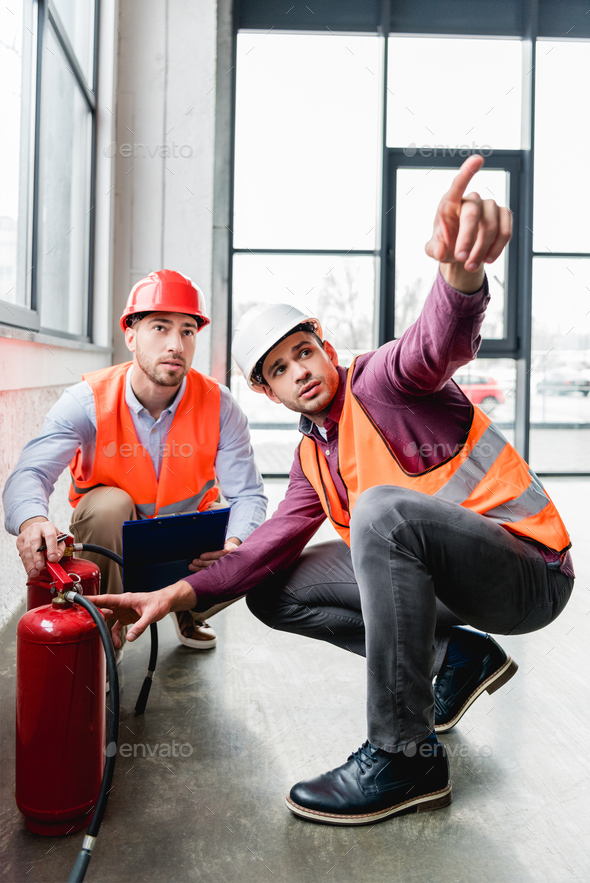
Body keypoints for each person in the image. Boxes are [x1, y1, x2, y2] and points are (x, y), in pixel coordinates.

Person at [90, 156, 574, 825]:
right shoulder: (311, 458)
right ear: (268, 391)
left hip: (529, 573)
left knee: (379, 509)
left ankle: (404, 753)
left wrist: (460, 275)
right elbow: (263, 549)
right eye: (280, 369)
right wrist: (174, 594)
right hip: (461, 582)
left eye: (304, 351)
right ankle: (453, 655)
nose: (301, 372)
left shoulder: (385, 381)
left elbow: (437, 341)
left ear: (325, 344)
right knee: (273, 587)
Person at [4, 269, 267, 653]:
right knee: (108, 506)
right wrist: (33, 520)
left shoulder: (220, 405)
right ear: (131, 334)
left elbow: (249, 496)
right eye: (160, 328)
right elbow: (31, 471)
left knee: (257, 549)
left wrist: (235, 543)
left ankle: (187, 606)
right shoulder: (86, 400)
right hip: (115, 545)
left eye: (188, 331)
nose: (176, 344)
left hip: (187, 549)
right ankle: (104, 630)